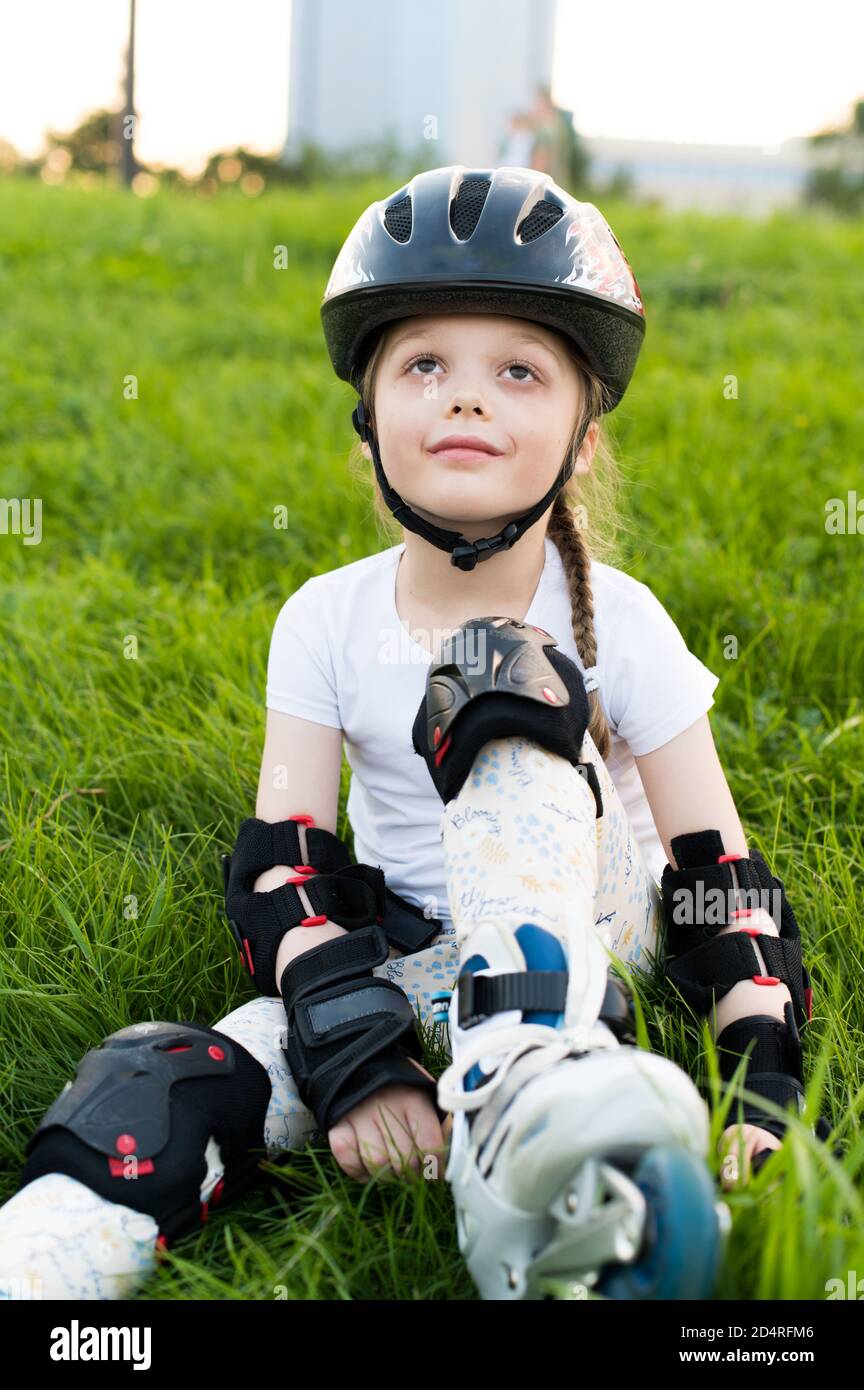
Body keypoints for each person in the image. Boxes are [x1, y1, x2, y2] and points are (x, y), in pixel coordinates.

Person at [0, 166, 836, 1302]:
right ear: (368, 420)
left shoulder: (623, 622)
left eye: (520, 371)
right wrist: (357, 1055)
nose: (467, 399)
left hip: (583, 938)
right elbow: (285, 869)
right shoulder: (324, 619)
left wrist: (766, 1096)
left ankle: (537, 1084)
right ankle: (44, 1265)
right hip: (406, 960)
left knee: (496, 673)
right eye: (425, 364)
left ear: (582, 440)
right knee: (159, 1086)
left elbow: (717, 881)